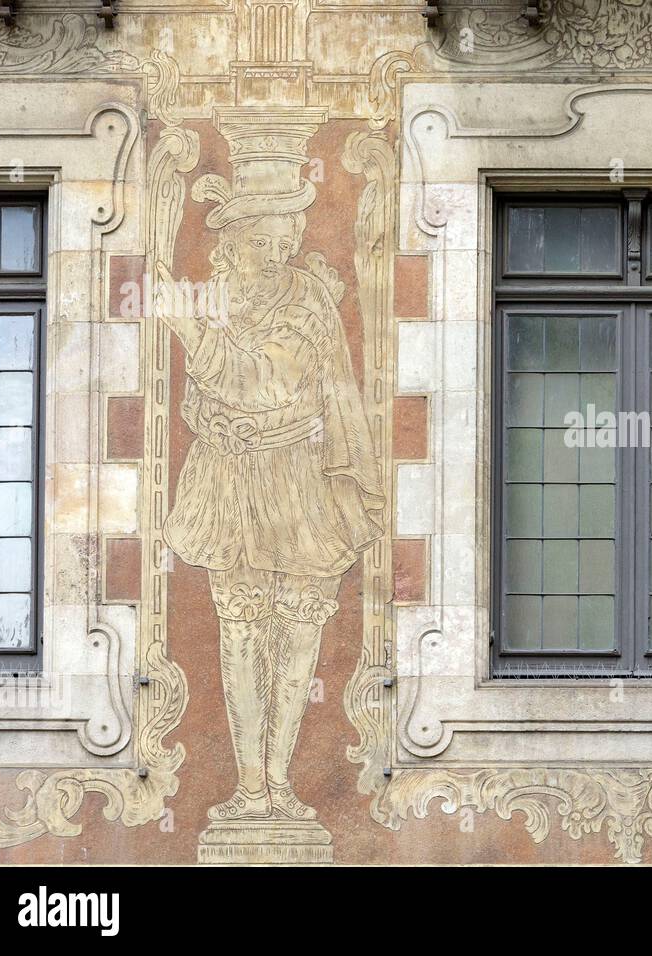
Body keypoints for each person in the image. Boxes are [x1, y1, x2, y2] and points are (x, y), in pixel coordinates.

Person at [156, 197, 383, 823]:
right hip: (229, 484)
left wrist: (191, 332)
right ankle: (250, 787)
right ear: (234, 243)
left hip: (300, 483)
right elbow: (197, 403)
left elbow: (266, 380)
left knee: (299, 627)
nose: (279, 252)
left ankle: (281, 784)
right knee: (241, 629)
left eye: (288, 240)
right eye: (266, 240)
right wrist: (217, 420)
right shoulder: (221, 294)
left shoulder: (307, 300)